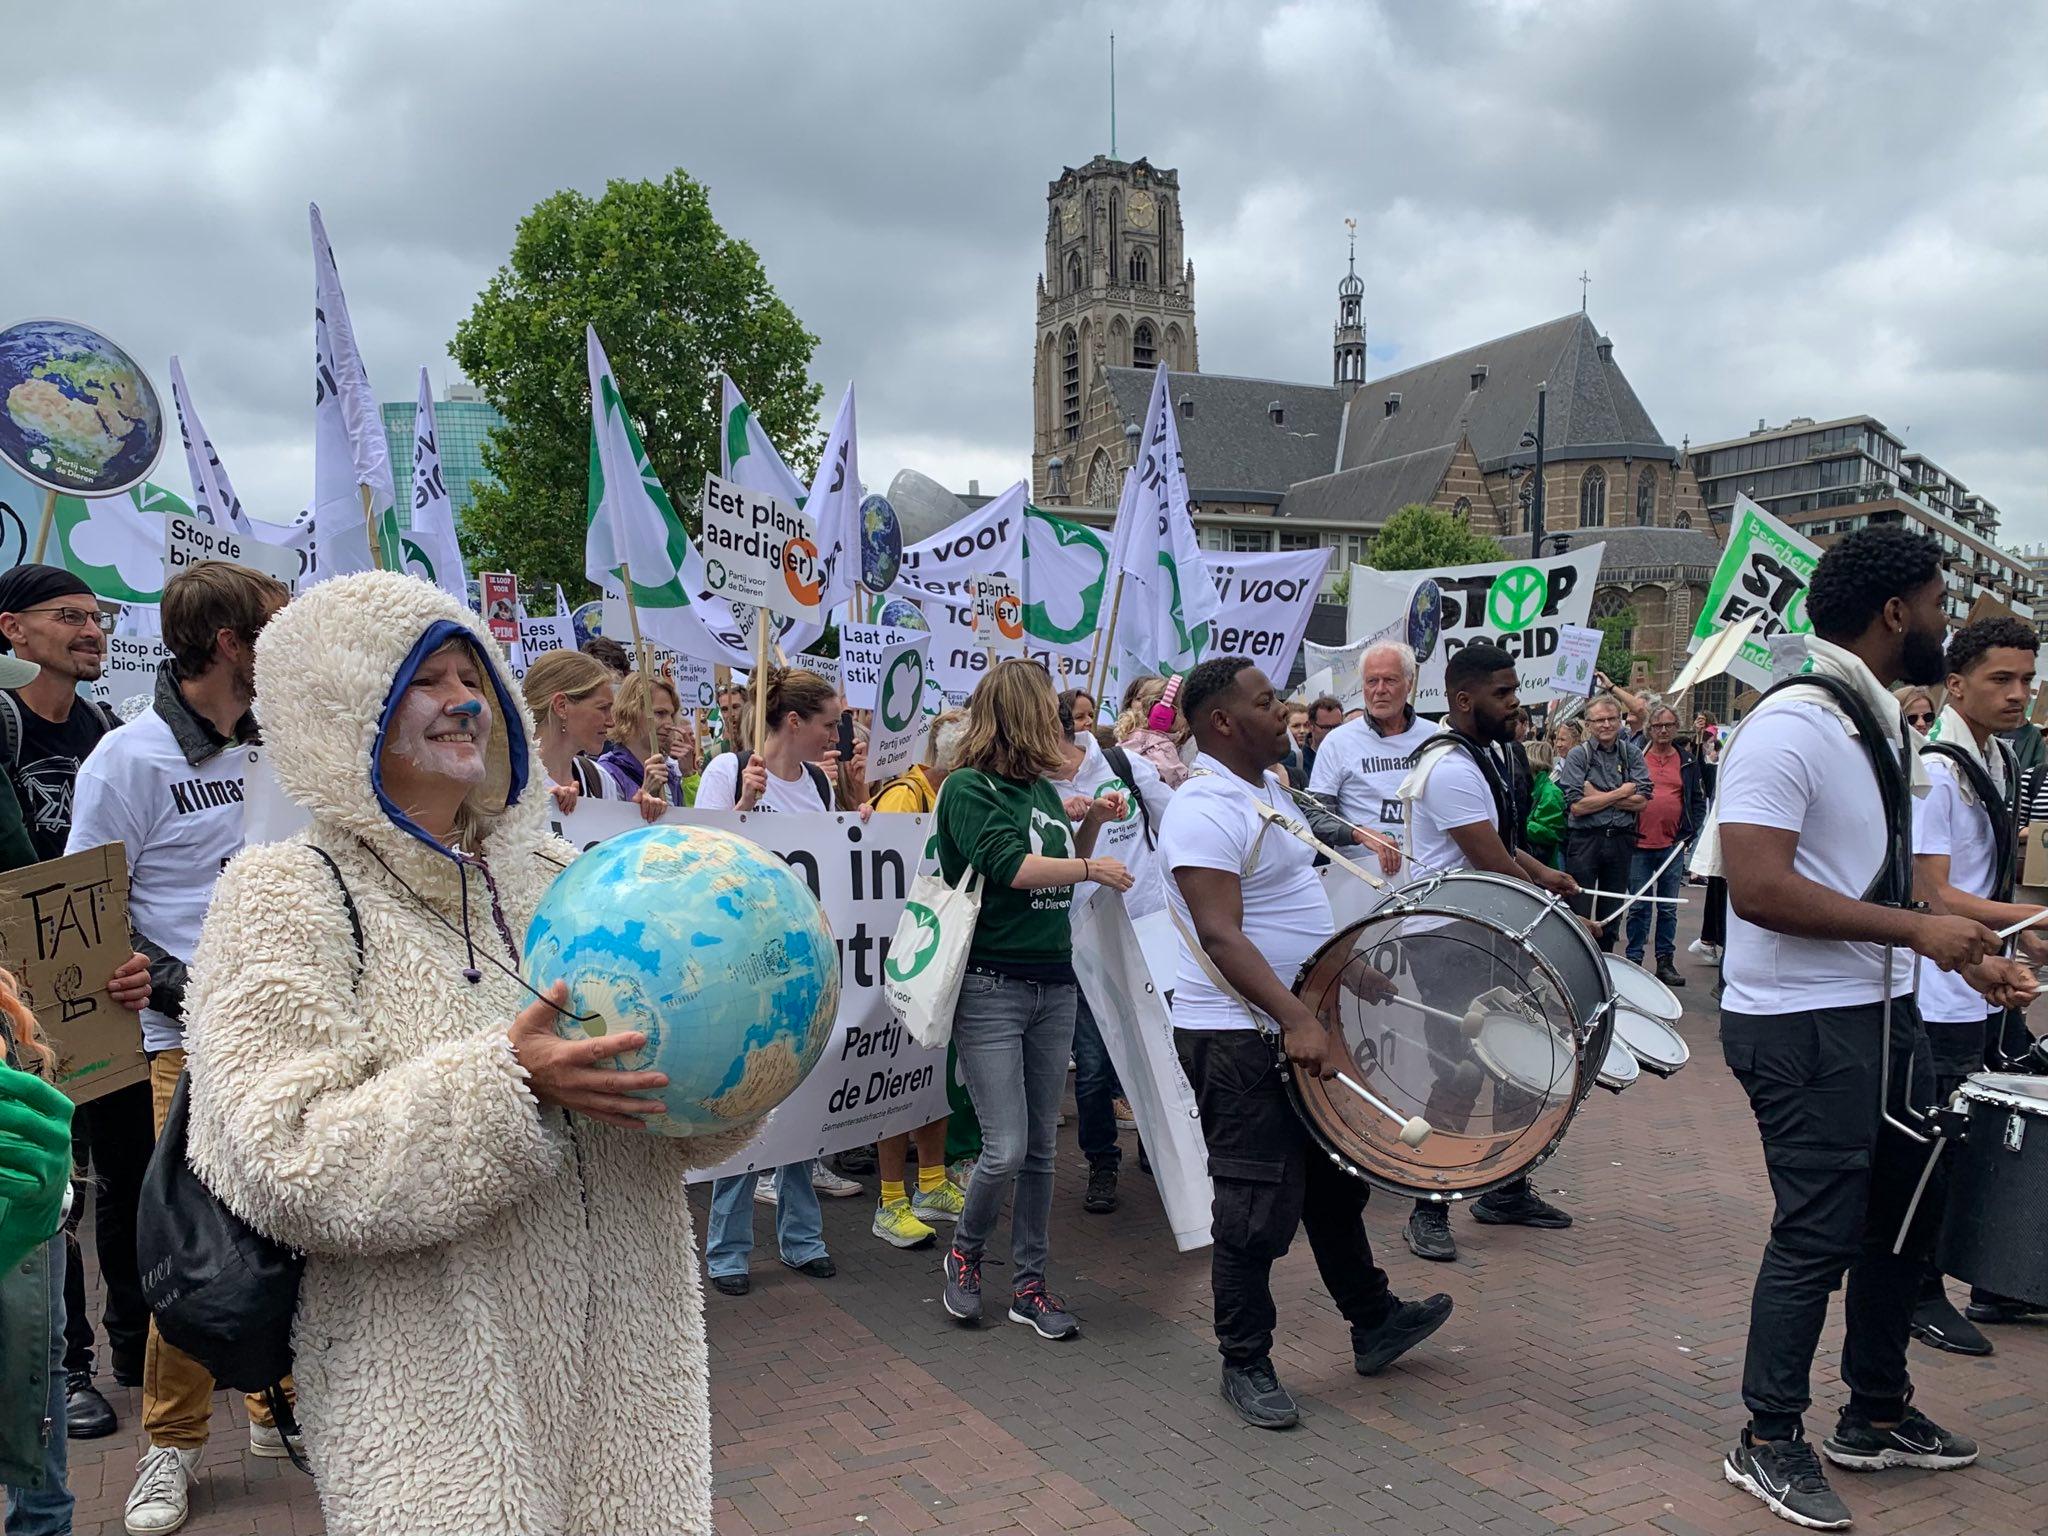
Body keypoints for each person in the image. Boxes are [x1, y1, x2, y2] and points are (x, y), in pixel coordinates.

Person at [181, 570, 750, 1536]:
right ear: (342, 704)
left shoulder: (563, 875)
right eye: (428, 679)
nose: (465, 702)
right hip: (439, 1394)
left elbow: (672, 1121)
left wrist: (733, 1059)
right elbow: (282, 1160)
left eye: (472, 675)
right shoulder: (284, 895)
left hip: (629, 1375)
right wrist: (505, 1086)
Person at [1714, 526, 2033, 1530]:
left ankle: (1875, 1413)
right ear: (1895, 612)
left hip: (1874, 1013)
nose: (1945, 618)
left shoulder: (1874, 724)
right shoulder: (1792, 725)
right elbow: (1756, 890)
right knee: (1815, 1231)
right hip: (1796, 1026)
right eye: (1938, 602)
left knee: (1899, 1220)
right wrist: (1917, 931)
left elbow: (1878, 877)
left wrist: (1969, 956)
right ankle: (1765, 1438)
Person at [1162, 656, 1452, 1429]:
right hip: (1240, 1036)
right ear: (1222, 722)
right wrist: (1296, 1018)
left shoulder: (1267, 791)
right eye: (1267, 702)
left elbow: (1287, 907)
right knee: (1256, 1205)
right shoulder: (1203, 809)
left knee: (1333, 1185)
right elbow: (1220, 936)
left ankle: (1374, 1318)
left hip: (1296, 1022)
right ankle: (1245, 1360)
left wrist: (1347, 982)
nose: (1285, 711)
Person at [64, 563, 294, 1534]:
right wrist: (171, 983)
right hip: (187, 1047)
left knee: (291, 1231)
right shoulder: (128, 760)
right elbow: (85, 913)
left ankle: (267, 1405)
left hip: (288, 1034)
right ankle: (169, 1444)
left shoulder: (281, 747)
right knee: (194, 1256)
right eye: (273, 632)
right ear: (232, 645)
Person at [937, 660, 1130, 1341]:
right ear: (1019, 715)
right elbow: (1010, 868)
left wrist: (1095, 828)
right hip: (992, 985)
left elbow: (1058, 866)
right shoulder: (967, 788)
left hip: (1053, 981)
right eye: (1048, 711)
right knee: (1008, 1146)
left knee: (1045, 1150)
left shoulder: (1041, 793)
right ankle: (965, 1250)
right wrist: (1088, 865)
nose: (1059, 722)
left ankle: (1030, 1284)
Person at [0, 563, 146, 1443]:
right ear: (12, 631)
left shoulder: (106, 731)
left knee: (129, 1170)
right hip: (20, 999)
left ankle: (138, 1342)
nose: (92, 631)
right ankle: (67, 1367)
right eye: (69, 616)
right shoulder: (2, 725)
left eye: (99, 617)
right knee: (54, 1183)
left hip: (104, 985)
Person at [1400, 643, 1580, 1264]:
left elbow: (1502, 846)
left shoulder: (1487, 755)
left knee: (1519, 1066)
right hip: (1449, 940)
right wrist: (1557, 910)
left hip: (1491, 932)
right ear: (1462, 699)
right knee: (1460, 1071)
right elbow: (1492, 865)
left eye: (1513, 690)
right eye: (1502, 693)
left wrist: (1545, 875)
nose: (1514, 702)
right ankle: (1430, 1201)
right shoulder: (1451, 767)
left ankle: (1504, 1189)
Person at [1910, 617, 2048, 1350]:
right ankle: (1921, 1289)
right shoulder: (1937, 769)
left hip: (1982, 982)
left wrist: (2021, 933)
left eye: (2027, 679)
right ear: (1957, 685)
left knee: (2000, 1126)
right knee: (1943, 1141)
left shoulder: (1996, 761)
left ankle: (1996, 1272)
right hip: (1940, 990)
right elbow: (1934, 894)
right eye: (2002, 679)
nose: (2019, 693)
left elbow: (1977, 883)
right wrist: (2028, 912)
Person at [695, 669, 852, 1292]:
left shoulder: (817, 782)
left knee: (801, 1102)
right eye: (828, 723)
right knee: (747, 1098)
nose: (835, 734)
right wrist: (742, 810)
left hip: (802, 959)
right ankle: (727, 1248)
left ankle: (801, 1237)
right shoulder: (729, 771)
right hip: (742, 961)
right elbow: (698, 852)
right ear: (794, 722)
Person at [1053, 689, 1174, 1215]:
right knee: (1097, 1064)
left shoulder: (1124, 765)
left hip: (1150, 932)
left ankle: (1158, 1148)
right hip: (1084, 939)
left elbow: (1175, 832)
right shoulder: (1035, 784)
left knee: (1159, 1048)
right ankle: (1102, 1161)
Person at [867, 710, 971, 1250]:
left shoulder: (952, 795)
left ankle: (931, 1182)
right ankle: (891, 1199)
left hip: (937, 955)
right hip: (903, 958)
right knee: (897, 1079)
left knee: (933, 1077)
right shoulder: (906, 797)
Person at [1308, 643, 1436, 887]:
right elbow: (1314, 814)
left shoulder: (1436, 737)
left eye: (1389, 680)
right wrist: (1358, 834)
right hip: (1361, 881)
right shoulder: (1338, 741)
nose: (1380, 690)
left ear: (1409, 683)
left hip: (1427, 874)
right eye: (1371, 681)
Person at [1556, 697, 1651, 954]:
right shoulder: (1579, 755)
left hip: (1621, 839)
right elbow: (1576, 806)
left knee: (1612, 915)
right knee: (1579, 912)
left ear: (1620, 721)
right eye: (1599, 720)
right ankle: (1577, 967)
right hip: (1586, 840)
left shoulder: (1631, 753)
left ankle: (1606, 967)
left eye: (1611, 718)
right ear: (1589, 724)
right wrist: (1621, 792)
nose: (1606, 724)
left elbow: (1642, 801)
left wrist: (1595, 794)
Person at [1624, 706, 1708, 988]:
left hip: (1672, 845)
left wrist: (1689, 834)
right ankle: (1633, 959)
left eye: (1669, 725)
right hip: (1638, 843)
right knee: (1638, 906)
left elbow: (1696, 800)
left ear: (1676, 728)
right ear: (1650, 727)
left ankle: (1664, 961)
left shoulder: (1686, 761)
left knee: (1668, 908)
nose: (1663, 730)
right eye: (1658, 725)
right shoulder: (1637, 756)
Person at [520, 649, 619, 814]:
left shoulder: (599, 780)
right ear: (561, 706)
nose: (611, 722)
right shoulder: (509, 782)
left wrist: (643, 816)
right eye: (602, 708)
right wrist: (537, 812)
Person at [598, 671, 698, 813]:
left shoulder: (669, 773)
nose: (669, 723)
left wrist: (688, 774)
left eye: (671, 715)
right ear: (631, 712)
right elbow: (613, 831)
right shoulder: (608, 773)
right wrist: (647, 793)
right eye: (660, 713)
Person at [1522, 738, 1566, 866]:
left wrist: (1518, 825)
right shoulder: (1528, 786)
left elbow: (1551, 832)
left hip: (1542, 862)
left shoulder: (1551, 793)